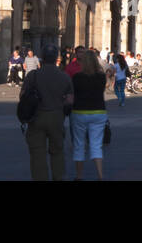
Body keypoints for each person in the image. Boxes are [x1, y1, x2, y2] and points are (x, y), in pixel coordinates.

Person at [21, 44, 73, 181]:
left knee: (38, 153)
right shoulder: (64, 77)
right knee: (57, 152)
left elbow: (22, 96)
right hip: (56, 116)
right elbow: (69, 100)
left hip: (37, 117)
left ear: (42, 57)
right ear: (56, 58)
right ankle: (58, 177)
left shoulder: (33, 75)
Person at [71, 50, 109, 180]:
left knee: (79, 144)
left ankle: (79, 175)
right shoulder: (101, 76)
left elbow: (73, 94)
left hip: (80, 112)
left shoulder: (77, 77)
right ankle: (100, 175)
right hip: (98, 112)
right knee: (96, 145)